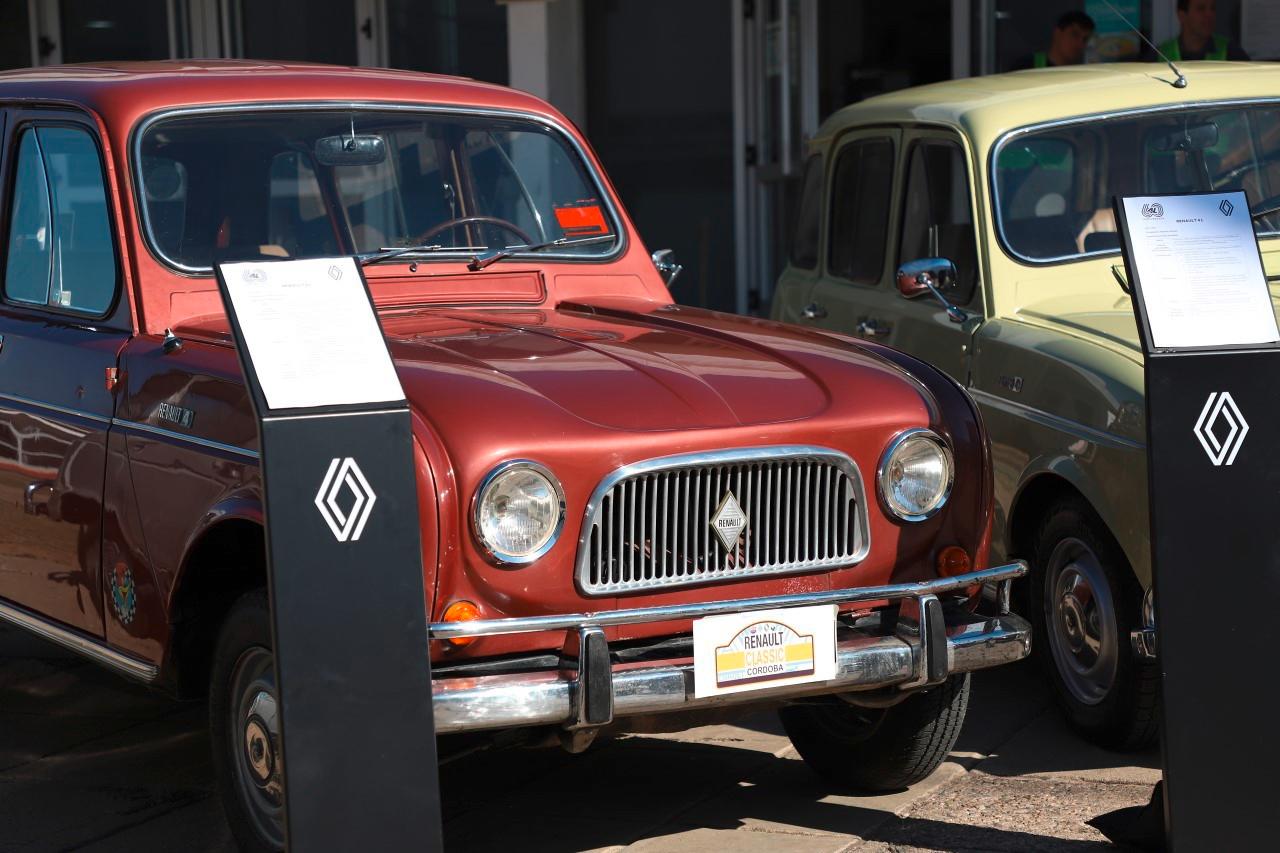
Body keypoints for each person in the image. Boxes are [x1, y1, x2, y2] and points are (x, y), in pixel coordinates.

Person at [1158, 0, 1249, 61]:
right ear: (1182, 15)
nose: (1209, 15)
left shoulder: (1232, 52)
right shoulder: (1160, 55)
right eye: (1201, 8)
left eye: (1212, 8)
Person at [1018, 11, 1095, 69]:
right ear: (1058, 33)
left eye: (1085, 39)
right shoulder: (1029, 66)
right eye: (1074, 34)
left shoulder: (1081, 73)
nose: (1080, 44)